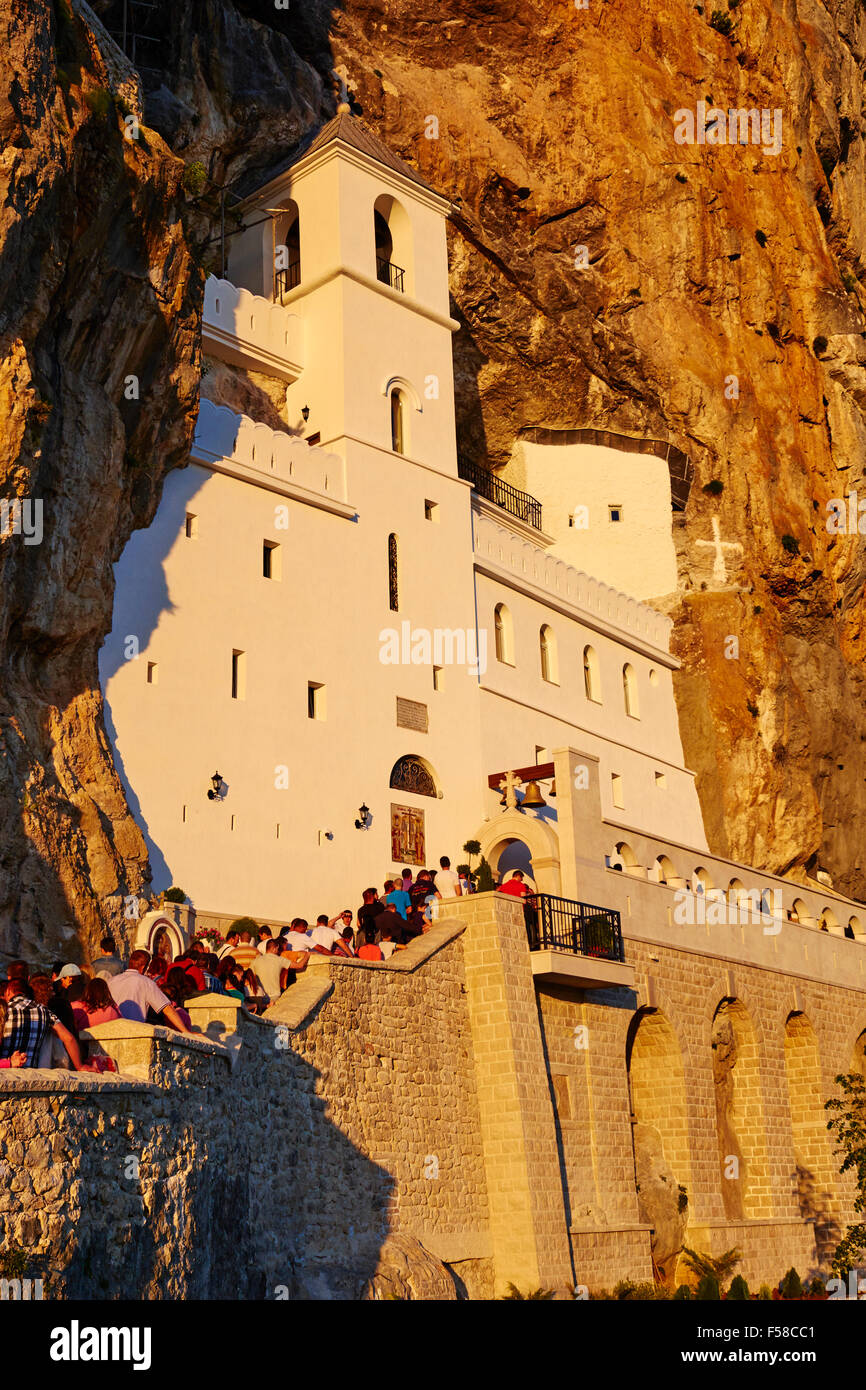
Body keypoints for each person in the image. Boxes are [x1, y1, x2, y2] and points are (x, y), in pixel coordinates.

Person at [0, 974, 82, 1068]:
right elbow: (69, 1038)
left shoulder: (3, 1009)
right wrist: (80, 1066)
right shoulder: (44, 1010)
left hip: (5, 1072)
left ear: (8, 991)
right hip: (32, 1075)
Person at [108, 950, 192, 1033]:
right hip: (134, 1031)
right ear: (144, 967)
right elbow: (167, 1008)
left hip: (111, 1030)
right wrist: (186, 1032)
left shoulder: (110, 981)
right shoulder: (146, 982)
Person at [253, 939, 289, 1003]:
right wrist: (307, 955)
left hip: (261, 996)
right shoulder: (279, 959)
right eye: (277, 949)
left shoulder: (256, 960)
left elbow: (250, 976)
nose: (277, 951)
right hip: (275, 997)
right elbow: (299, 965)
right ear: (274, 948)